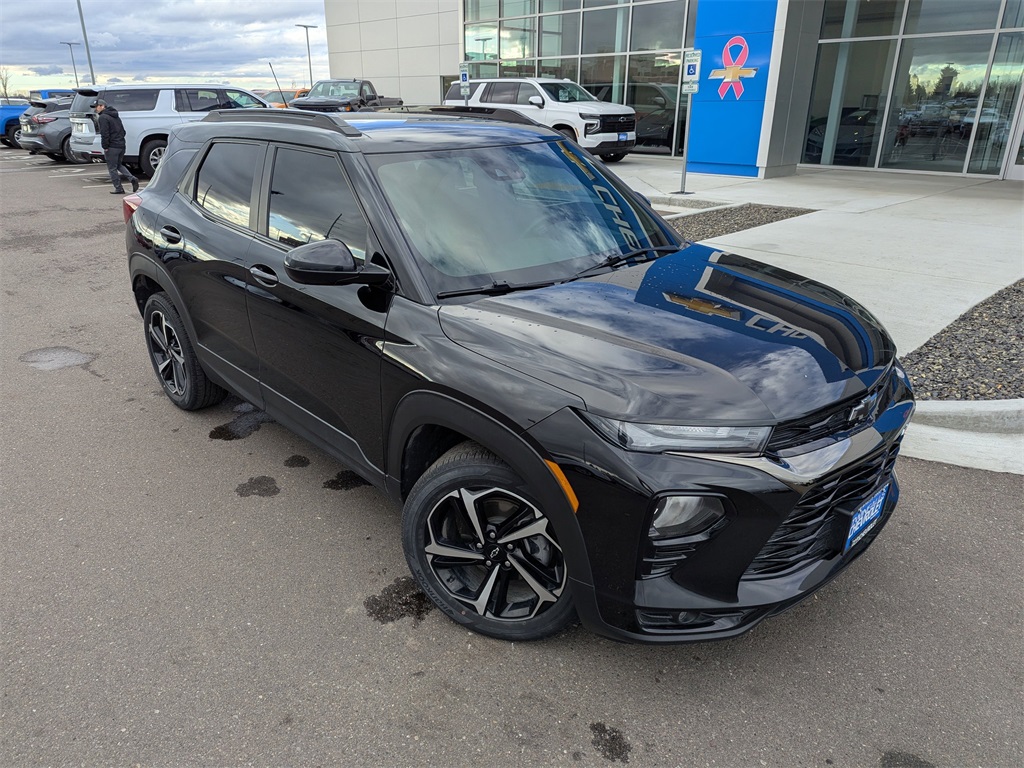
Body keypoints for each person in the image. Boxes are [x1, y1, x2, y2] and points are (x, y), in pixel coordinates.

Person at [91, 99, 138, 195]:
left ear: (102, 106)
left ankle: (118, 188)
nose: (96, 109)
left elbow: (105, 133)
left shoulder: (103, 117)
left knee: (112, 168)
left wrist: (105, 146)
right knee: (118, 165)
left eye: (97, 107)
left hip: (112, 147)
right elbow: (123, 131)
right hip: (121, 145)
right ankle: (132, 178)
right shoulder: (115, 116)